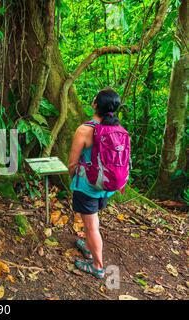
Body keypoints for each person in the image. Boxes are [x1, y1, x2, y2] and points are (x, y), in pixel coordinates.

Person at [68, 87, 127, 279]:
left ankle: (98, 266)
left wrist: (73, 178)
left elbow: (72, 163)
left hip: (88, 187)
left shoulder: (85, 130)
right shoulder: (119, 130)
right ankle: (89, 245)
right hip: (108, 187)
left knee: (91, 225)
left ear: (95, 104)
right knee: (92, 221)